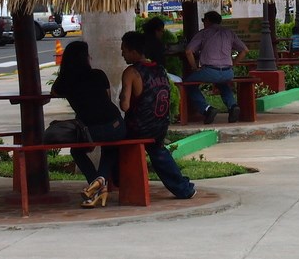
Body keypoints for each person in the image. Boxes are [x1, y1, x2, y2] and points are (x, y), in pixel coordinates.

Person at [119, 31, 196, 199]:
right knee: (158, 152)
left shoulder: (131, 72)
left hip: (138, 127)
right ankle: (183, 188)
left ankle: (110, 181)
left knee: (112, 142)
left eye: (124, 50)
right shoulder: (160, 69)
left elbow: (124, 106)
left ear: (133, 51)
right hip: (160, 125)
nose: (122, 54)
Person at [50, 40, 125, 208]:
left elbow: (53, 93)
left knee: (76, 151)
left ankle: (96, 184)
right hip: (114, 124)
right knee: (111, 146)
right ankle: (100, 181)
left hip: (90, 130)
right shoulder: (98, 74)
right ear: (85, 58)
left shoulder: (64, 81)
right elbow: (107, 99)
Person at [183, 11, 247, 124]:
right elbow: (244, 50)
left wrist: (194, 67)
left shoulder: (203, 33)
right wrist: (233, 64)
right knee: (222, 83)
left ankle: (207, 109)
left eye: (203, 20)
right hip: (228, 72)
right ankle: (233, 106)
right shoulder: (229, 32)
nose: (203, 23)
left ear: (207, 21)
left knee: (188, 84)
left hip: (209, 71)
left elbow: (188, 51)